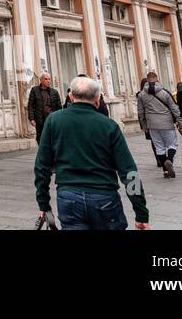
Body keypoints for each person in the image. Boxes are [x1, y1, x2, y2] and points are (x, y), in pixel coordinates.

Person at [35, 76, 150, 230]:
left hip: (69, 197)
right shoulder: (109, 126)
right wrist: (141, 213)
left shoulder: (53, 121)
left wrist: (43, 203)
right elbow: (129, 172)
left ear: (70, 97)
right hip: (104, 198)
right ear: (97, 99)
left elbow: (41, 166)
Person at [137, 72, 182, 178]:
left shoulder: (141, 95)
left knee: (159, 148)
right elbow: (174, 109)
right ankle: (169, 160)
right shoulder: (165, 93)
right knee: (172, 145)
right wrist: (180, 122)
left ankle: (166, 170)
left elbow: (140, 112)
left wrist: (143, 125)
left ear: (147, 81)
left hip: (152, 124)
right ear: (157, 79)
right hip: (167, 123)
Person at [26, 73, 62, 143]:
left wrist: (59, 119)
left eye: (49, 79)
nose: (48, 81)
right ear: (41, 80)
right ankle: (42, 152)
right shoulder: (34, 90)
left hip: (52, 119)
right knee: (40, 138)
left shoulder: (54, 92)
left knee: (52, 137)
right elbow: (30, 105)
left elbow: (59, 107)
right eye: (46, 79)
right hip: (40, 119)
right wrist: (31, 118)